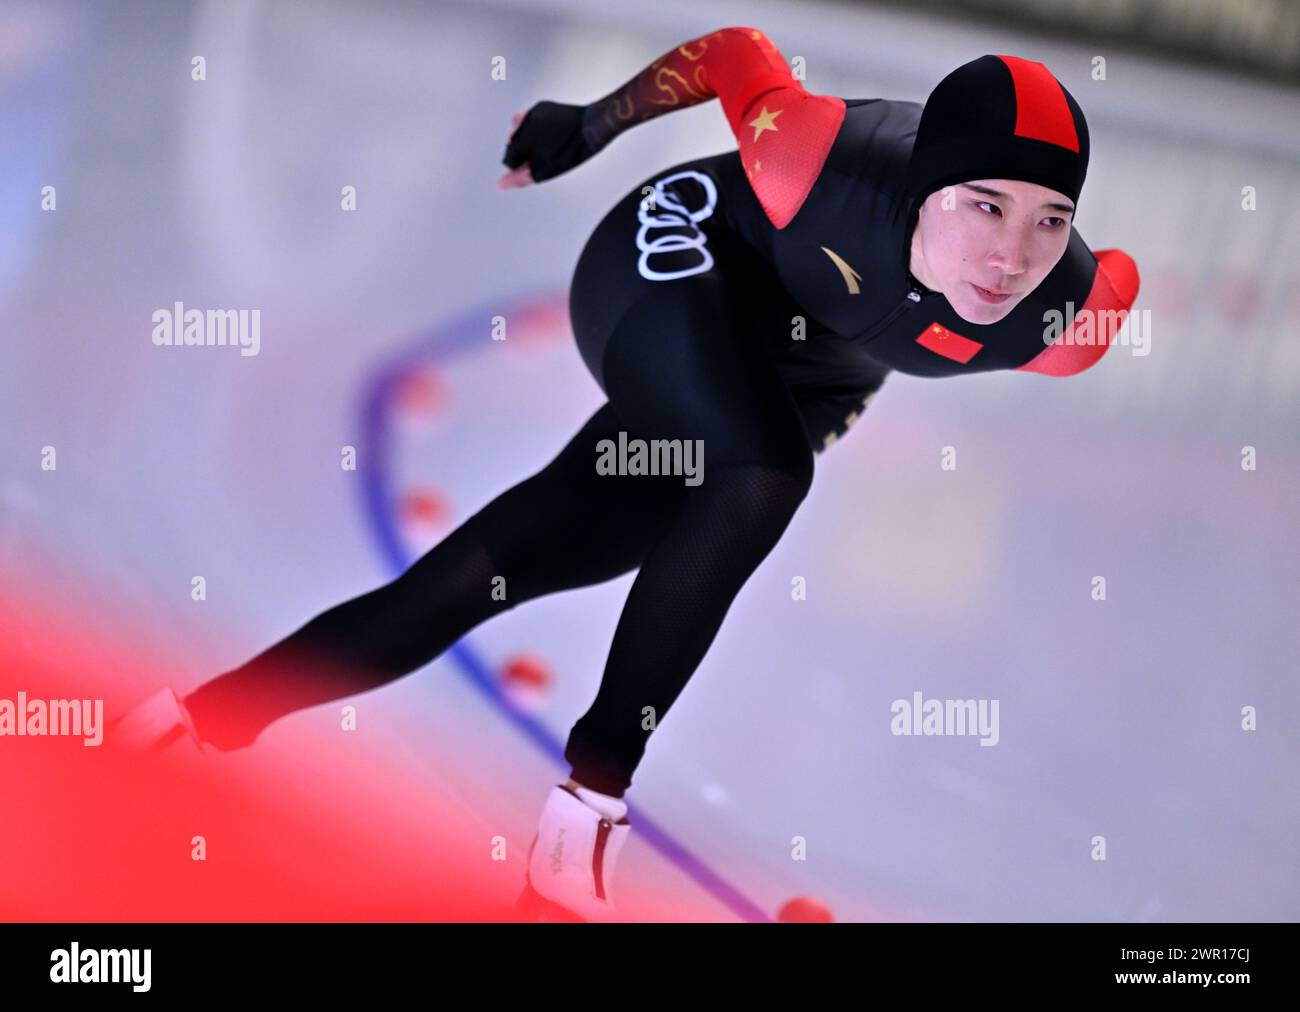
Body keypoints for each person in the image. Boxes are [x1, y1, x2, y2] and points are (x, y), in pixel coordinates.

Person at [111, 26, 1139, 922]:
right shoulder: (819, 161)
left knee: (497, 568)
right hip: (672, 260)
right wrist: (587, 123)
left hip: (795, 378)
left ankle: (190, 723)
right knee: (762, 473)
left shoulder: (1064, 320)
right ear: (918, 185)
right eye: (982, 204)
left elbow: (1103, 279)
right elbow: (737, 56)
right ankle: (591, 798)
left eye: (1049, 219)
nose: (1010, 253)